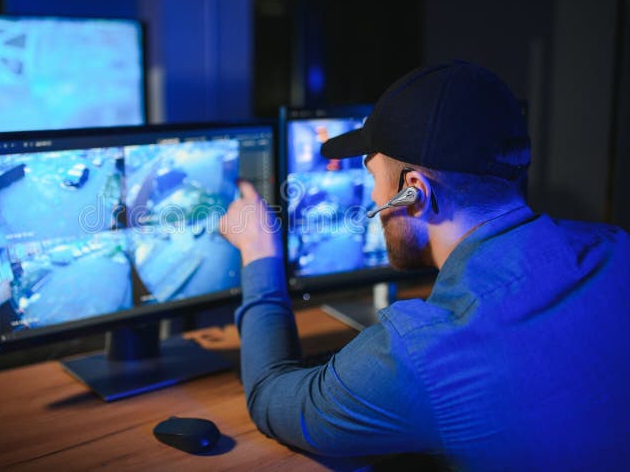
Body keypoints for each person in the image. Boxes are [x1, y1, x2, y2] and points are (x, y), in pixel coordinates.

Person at [218, 61, 630, 470]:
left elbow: (272, 396)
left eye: (373, 175)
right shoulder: (616, 249)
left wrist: (259, 254)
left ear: (413, 192)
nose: (375, 197)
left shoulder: (423, 349)